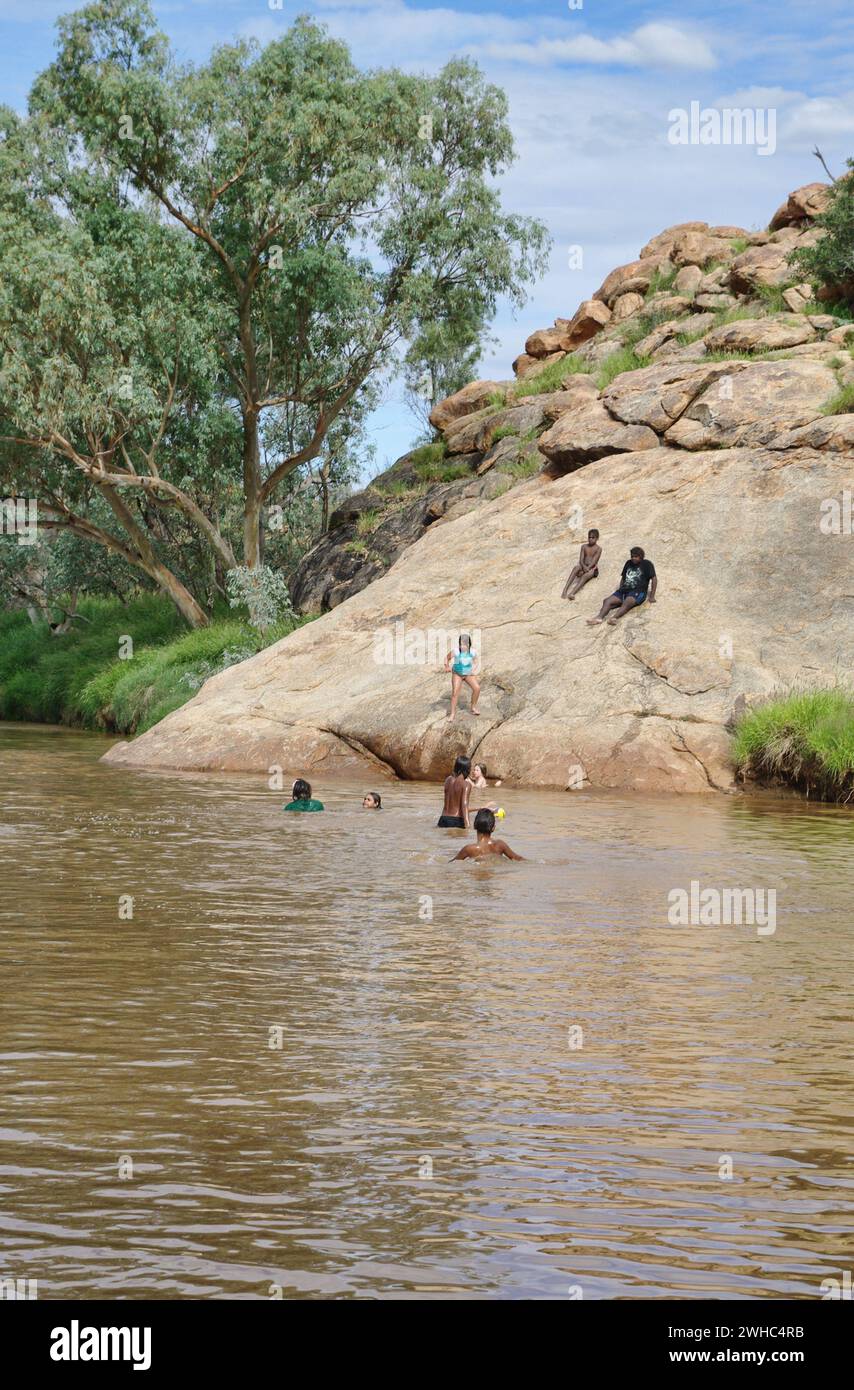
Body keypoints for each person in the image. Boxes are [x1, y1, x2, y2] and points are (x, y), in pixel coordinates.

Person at [587, 546, 657, 626]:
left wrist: (652, 596)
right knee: (607, 601)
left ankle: (614, 618)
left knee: (628, 601)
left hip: (638, 591)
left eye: (635, 556)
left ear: (641, 556)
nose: (633, 558)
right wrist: (620, 590)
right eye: (632, 556)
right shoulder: (628, 563)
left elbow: (654, 579)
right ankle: (599, 618)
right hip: (624, 590)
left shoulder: (647, 564)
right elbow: (623, 578)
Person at [451, 809, 525, 861]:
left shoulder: (469, 849)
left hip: (476, 879)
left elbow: (453, 863)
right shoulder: (500, 845)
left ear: (474, 826)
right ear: (493, 828)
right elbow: (517, 858)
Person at [444, 633, 481, 720]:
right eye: (461, 644)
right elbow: (446, 658)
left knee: (477, 688)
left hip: (467, 673)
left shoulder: (472, 652)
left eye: (464, 644)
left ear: (469, 644)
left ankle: (473, 707)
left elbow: (476, 660)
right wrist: (446, 666)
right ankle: (452, 714)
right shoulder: (456, 651)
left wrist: (473, 669)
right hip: (457, 674)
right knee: (455, 693)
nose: (462, 646)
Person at [562, 528, 602, 600]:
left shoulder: (598, 549)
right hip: (583, 565)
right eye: (589, 537)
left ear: (597, 538)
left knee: (585, 576)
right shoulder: (584, 546)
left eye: (593, 537)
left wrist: (588, 568)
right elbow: (581, 559)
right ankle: (565, 590)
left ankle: (572, 593)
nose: (590, 539)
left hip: (592, 567)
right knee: (576, 568)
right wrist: (583, 567)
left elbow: (594, 561)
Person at [438, 755, 472, 828]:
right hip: (456, 820)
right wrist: (468, 824)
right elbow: (464, 804)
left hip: (442, 819)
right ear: (467, 770)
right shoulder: (466, 785)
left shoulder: (447, 780)